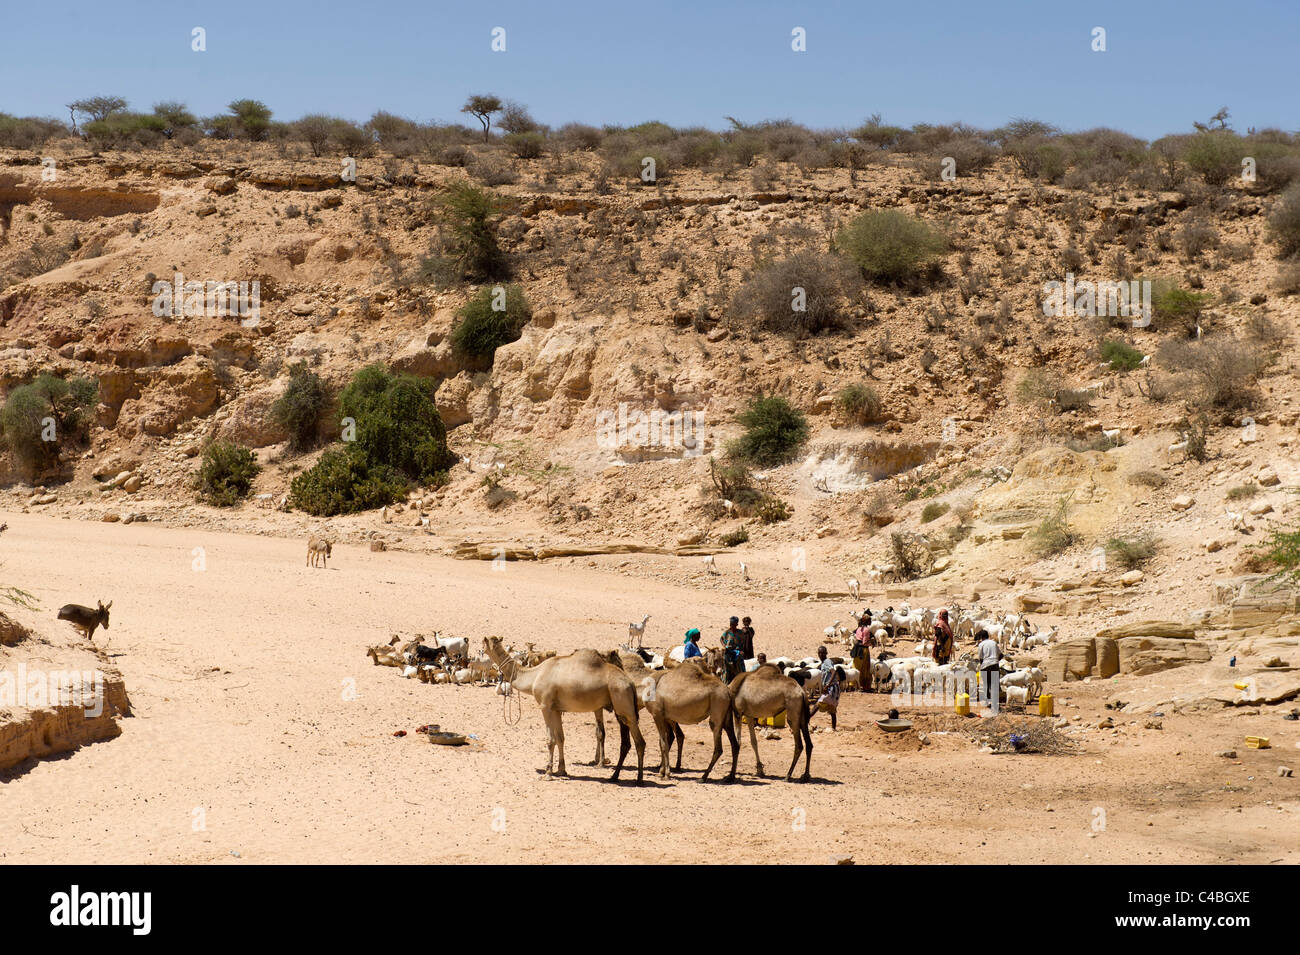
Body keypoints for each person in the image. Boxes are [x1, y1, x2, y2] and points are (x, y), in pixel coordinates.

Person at [808, 645, 841, 730]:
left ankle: (805, 721)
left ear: (826, 653)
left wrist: (827, 685)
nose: (821, 654)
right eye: (819, 653)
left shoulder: (827, 661)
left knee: (818, 704)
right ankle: (833, 728)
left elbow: (833, 672)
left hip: (831, 688)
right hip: (832, 688)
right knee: (832, 709)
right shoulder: (823, 663)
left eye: (823, 653)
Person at [977, 628, 1002, 714]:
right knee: (994, 684)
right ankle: (995, 705)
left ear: (981, 637)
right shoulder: (994, 642)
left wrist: (982, 666)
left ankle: (988, 702)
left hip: (985, 665)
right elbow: (1001, 654)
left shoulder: (981, 644)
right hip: (994, 664)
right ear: (988, 636)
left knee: (986, 684)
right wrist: (996, 661)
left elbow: (980, 658)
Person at [851, 615, 873, 692]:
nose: (871, 621)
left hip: (856, 649)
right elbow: (864, 642)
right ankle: (865, 686)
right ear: (867, 621)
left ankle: (853, 685)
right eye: (870, 620)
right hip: (863, 650)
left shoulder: (858, 628)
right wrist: (871, 643)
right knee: (865, 668)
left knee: (856, 666)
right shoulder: (866, 630)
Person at [721, 616, 745, 681]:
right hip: (728, 651)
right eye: (731, 624)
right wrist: (724, 646)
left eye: (734, 625)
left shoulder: (740, 633)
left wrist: (741, 650)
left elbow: (743, 642)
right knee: (726, 667)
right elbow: (721, 639)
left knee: (740, 666)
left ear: (736, 625)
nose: (732, 626)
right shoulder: (727, 632)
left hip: (737, 652)